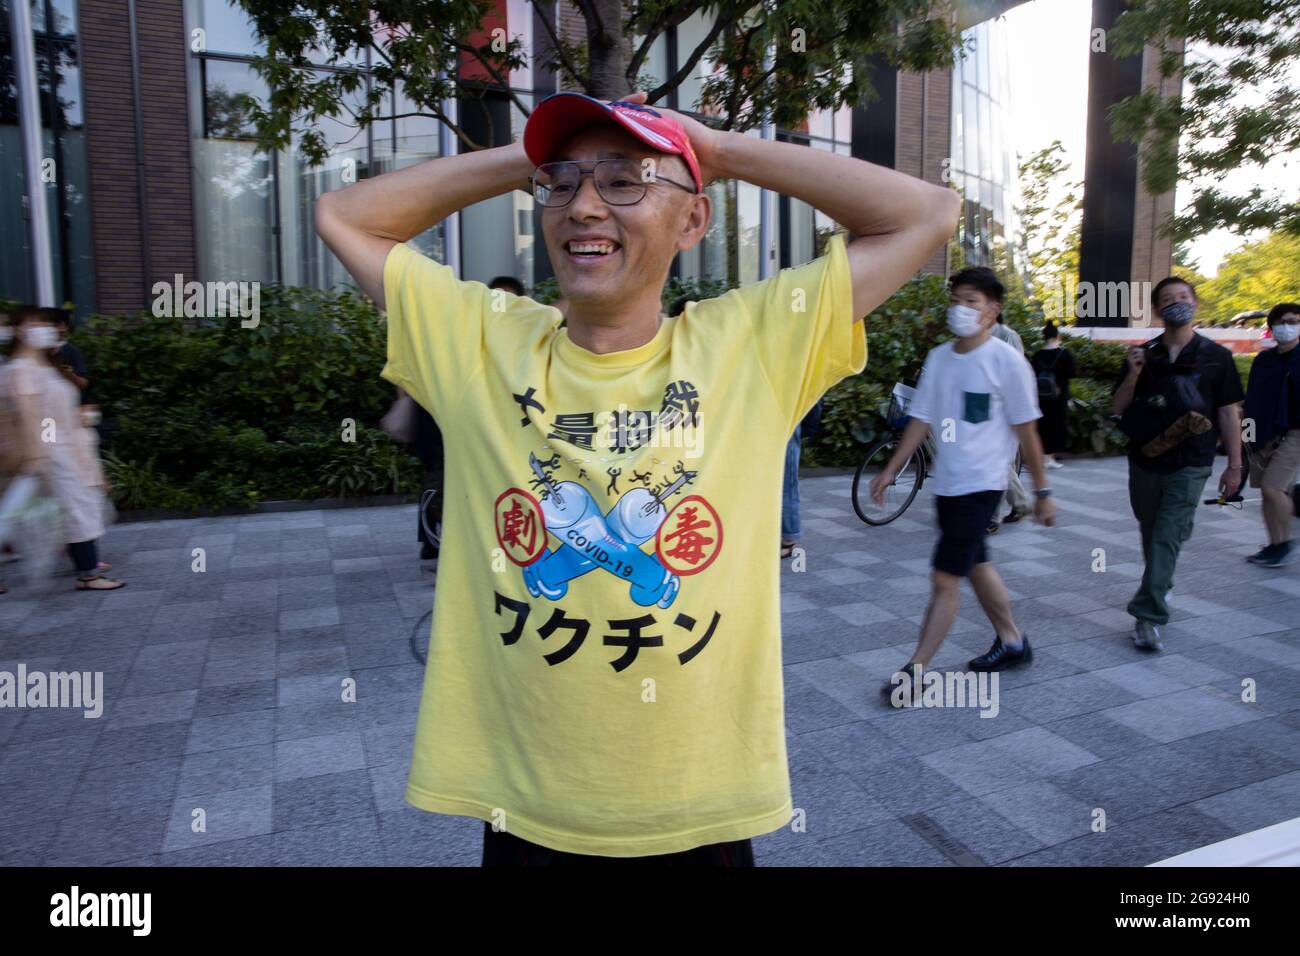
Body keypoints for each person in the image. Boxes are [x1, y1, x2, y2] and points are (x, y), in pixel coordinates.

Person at [315, 90, 959, 865]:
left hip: (699, 808)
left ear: (692, 221)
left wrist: (715, 149)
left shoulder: (753, 341)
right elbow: (345, 215)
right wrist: (533, 157)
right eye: (565, 184)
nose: (585, 207)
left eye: (626, 181)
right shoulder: (481, 343)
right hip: (525, 805)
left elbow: (925, 212)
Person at [870, 268, 1053, 694]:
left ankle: (916, 671)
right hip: (948, 483)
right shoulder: (939, 358)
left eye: (971, 300)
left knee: (944, 577)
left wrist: (1043, 492)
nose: (960, 308)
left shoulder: (1008, 363)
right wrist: (892, 468)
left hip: (983, 484)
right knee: (976, 562)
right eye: (956, 299)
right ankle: (1012, 641)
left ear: (993, 310)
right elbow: (923, 417)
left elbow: (1028, 431)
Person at [1112, 276, 1243, 651]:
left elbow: (1230, 413)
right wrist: (1134, 374)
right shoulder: (1143, 354)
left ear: (1195, 304)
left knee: (1167, 533)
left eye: (1183, 297)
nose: (1176, 304)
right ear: (1157, 310)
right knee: (1153, 532)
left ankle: (1147, 616)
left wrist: (1234, 466)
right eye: (1168, 299)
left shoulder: (1217, 357)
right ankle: (1161, 583)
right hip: (1145, 458)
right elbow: (1117, 408)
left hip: (1192, 460)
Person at [0, 305, 124, 591]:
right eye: (36, 324)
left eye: (46, 323)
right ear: (20, 330)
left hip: (65, 445)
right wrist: (41, 452)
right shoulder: (22, 370)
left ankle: (87, 570)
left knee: (74, 507)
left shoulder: (45, 366)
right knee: (73, 508)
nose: (46, 329)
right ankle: (88, 573)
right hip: (53, 449)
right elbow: (30, 415)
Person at [1242, 302, 1300, 567]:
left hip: (1295, 432)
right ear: (1272, 326)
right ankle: (1274, 544)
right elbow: (1252, 399)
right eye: (1283, 322)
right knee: (1267, 492)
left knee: (1272, 487)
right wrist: (1247, 435)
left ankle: (1286, 541)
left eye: (1294, 321)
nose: (1288, 327)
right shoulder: (1264, 361)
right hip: (1262, 432)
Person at [1031, 321, 1075, 468]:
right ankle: (1050, 458)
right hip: (1059, 396)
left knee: (1042, 425)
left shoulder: (1037, 355)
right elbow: (1072, 373)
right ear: (1057, 336)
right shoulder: (1064, 354)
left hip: (1041, 397)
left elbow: (1031, 375)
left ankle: (1043, 457)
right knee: (1057, 425)